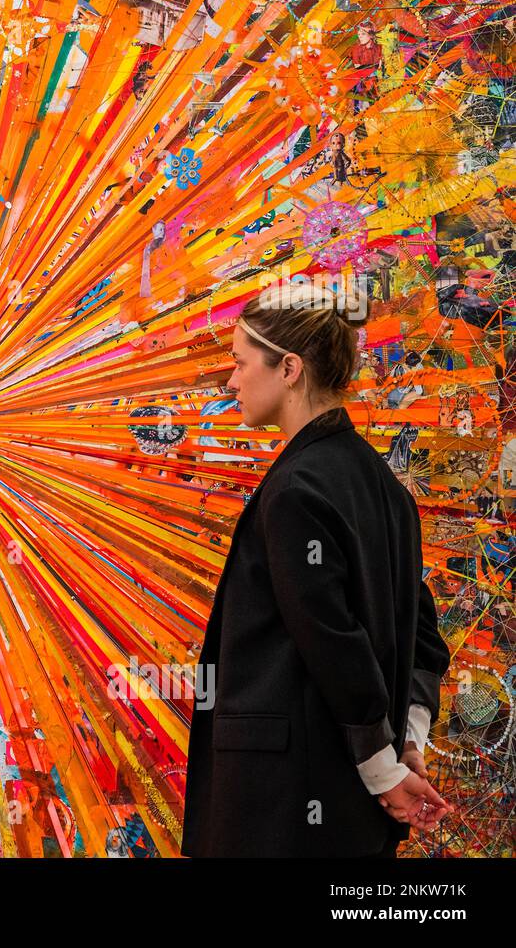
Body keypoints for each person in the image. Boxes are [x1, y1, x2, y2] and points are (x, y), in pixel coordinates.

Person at [180, 283, 454, 857]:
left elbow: (332, 641)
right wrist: (404, 745)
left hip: (281, 809)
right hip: (350, 814)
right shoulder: (386, 490)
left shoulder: (295, 489)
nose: (231, 381)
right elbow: (424, 636)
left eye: (239, 362)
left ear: (289, 368)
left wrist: (386, 770)